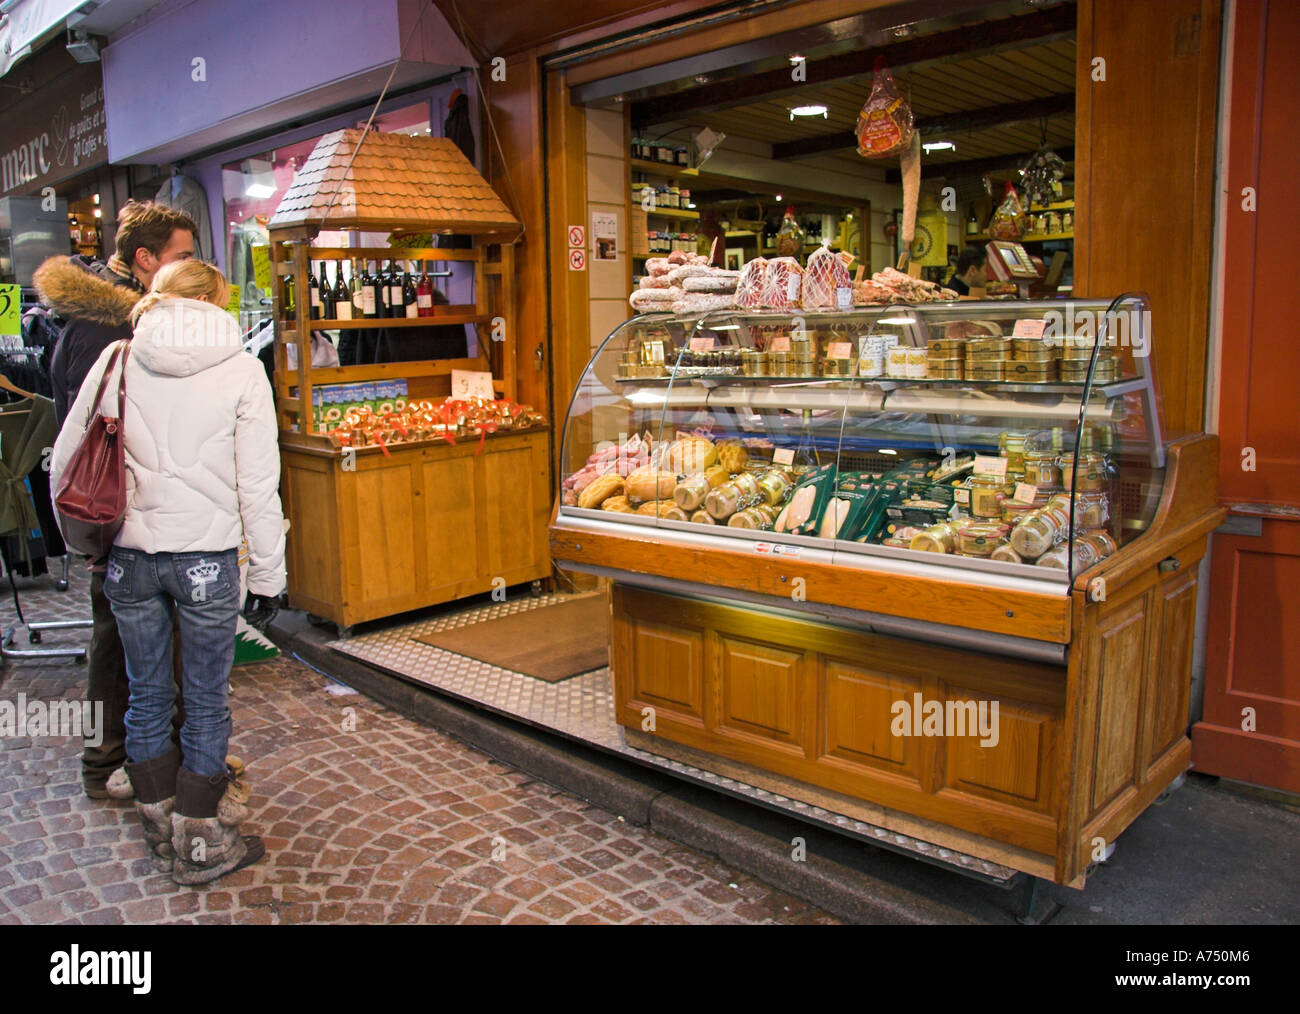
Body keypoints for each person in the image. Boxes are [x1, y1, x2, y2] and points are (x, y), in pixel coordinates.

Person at [51, 260, 286, 885]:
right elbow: (259, 484)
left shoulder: (117, 360)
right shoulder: (241, 370)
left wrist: (85, 544)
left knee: (147, 692)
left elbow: (66, 463)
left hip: (129, 556)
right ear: (215, 301)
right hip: (207, 557)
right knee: (206, 699)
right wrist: (268, 576)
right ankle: (201, 844)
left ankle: (160, 830)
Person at [33, 200, 198, 800]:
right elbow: (94, 434)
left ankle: (131, 757)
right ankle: (106, 762)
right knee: (117, 634)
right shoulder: (108, 324)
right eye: (181, 257)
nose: (189, 268)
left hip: (132, 506)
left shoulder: (123, 315)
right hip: (118, 510)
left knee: (133, 632)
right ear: (145, 259)